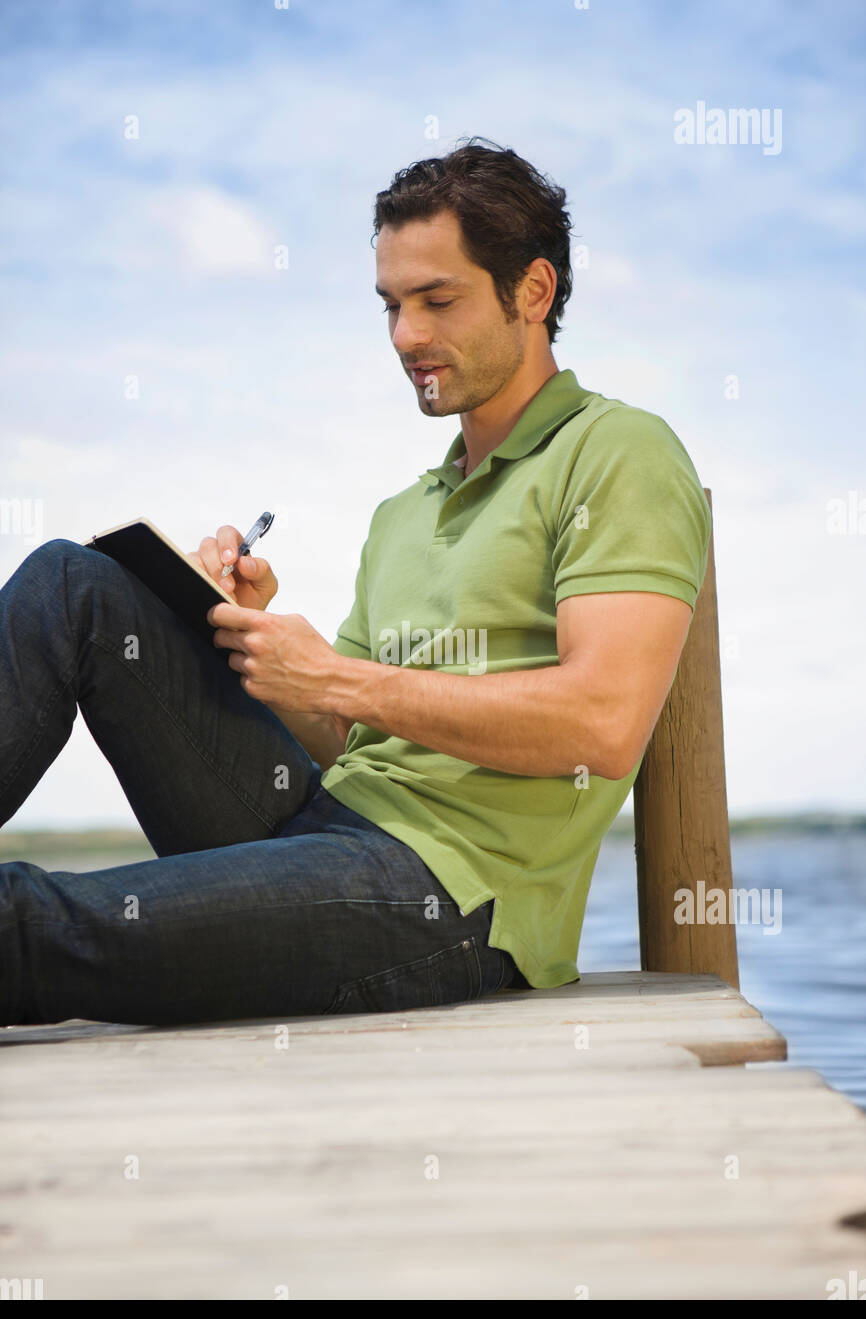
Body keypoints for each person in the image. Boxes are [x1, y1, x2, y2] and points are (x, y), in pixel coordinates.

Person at [0, 137, 710, 1027]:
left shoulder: (618, 453)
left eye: (437, 300)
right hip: (318, 820)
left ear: (533, 291)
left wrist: (335, 675)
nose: (407, 336)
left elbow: (603, 723)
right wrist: (250, 636)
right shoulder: (404, 512)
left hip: (448, 899)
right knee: (76, 583)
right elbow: (347, 738)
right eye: (391, 306)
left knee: (26, 919)